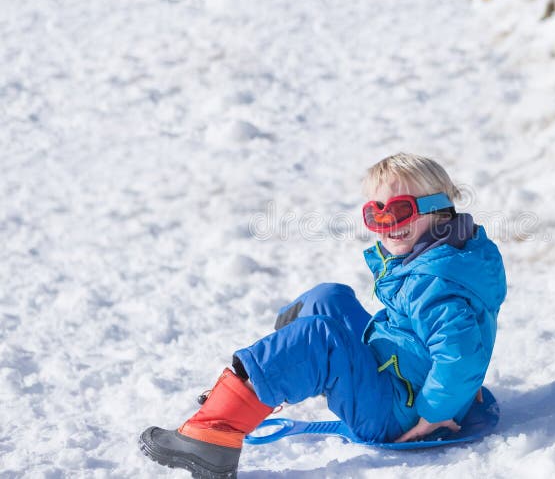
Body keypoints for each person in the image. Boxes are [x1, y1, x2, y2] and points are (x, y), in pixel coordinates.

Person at [139, 153, 507, 478]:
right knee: (329, 299)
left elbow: (461, 352)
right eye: (374, 213)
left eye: (398, 211)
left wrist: (435, 412)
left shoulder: (435, 283)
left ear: (439, 209)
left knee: (320, 337)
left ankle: (212, 438)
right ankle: (265, 384)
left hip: (401, 412)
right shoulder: (444, 255)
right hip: (399, 373)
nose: (385, 224)